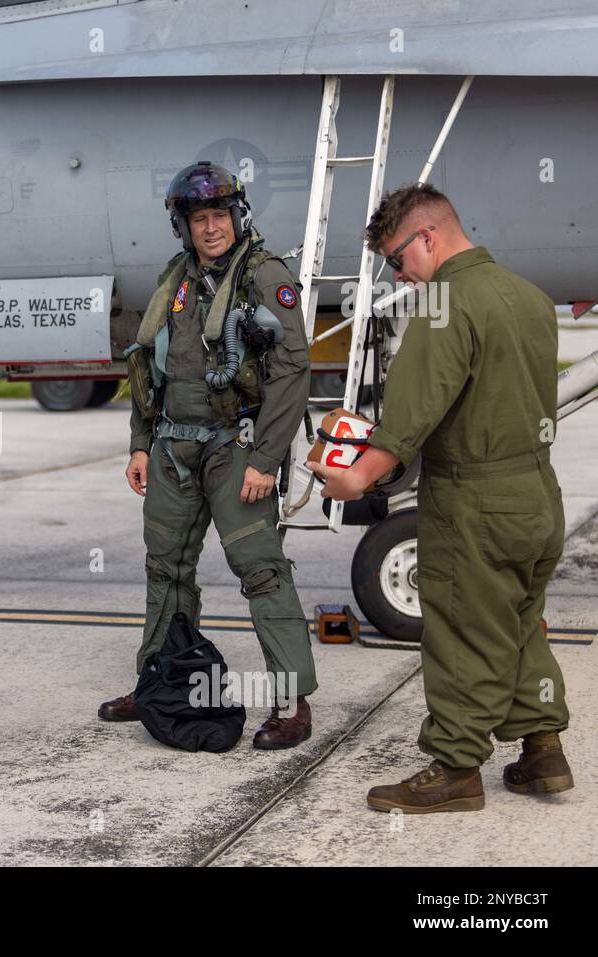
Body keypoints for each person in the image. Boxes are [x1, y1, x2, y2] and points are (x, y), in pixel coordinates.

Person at [311, 182, 573, 812]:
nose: (400, 275)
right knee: (515, 620)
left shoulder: (444, 305)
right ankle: (542, 752)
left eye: (398, 260)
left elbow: (409, 416)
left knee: (458, 626)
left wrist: (356, 477)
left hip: (473, 499)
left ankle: (455, 769)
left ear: (427, 237)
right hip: (536, 493)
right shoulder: (530, 298)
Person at [102, 160, 318, 749]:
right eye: (199, 218)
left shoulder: (264, 276)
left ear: (236, 216)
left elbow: (292, 373)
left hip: (235, 450)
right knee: (165, 568)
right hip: (173, 447)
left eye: (219, 215)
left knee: (261, 569)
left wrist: (265, 461)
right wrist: (140, 444)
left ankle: (290, 702)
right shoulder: (175, 279)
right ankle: (160, 681)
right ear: (185, 226)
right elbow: (150, 364)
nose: (211, 227)